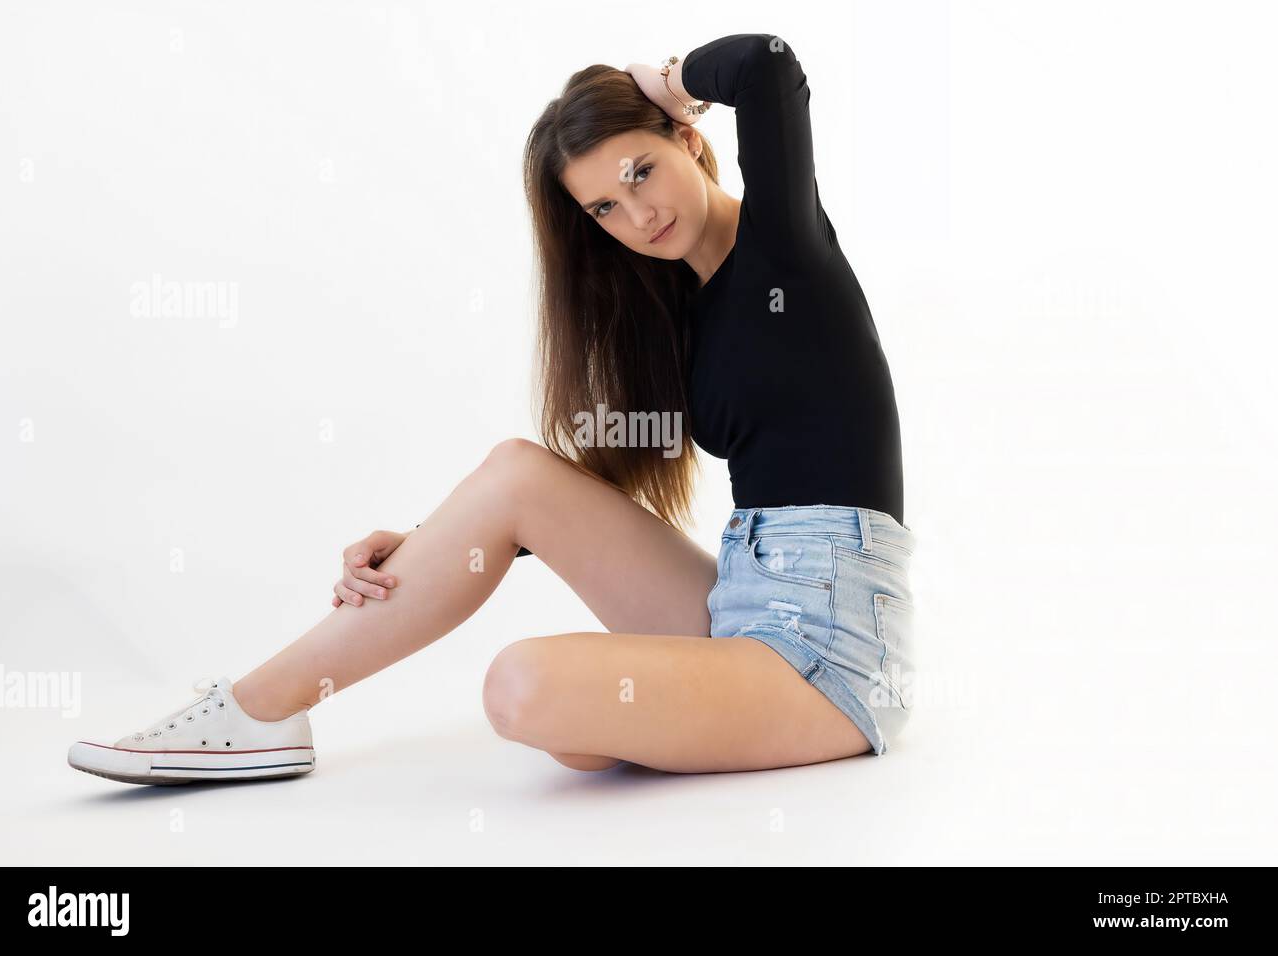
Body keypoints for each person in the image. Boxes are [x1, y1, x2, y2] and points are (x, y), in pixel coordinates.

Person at [68, 33, 917, 784]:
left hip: (832, 648)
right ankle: (259, 712)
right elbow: (573, 497)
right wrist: (441, 540)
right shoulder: (686, 309)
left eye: (639, 172)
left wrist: (660, 80)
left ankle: (257, 718)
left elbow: (768, 66)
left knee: (522, 689)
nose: (637, 215)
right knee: (516, 476)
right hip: (744, 598)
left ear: (688, 141)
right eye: (604, 209)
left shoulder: (783, 244)